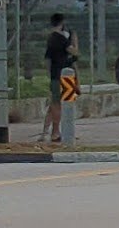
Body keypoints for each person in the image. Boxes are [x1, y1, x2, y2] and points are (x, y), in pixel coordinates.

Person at [42, 13, 78, 142]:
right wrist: (74, 40)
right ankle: (55, 132)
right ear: (62, 23)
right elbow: (74, 52)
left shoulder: (51, 38)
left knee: (54, 103)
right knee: (60, 104)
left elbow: (47, 59)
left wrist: (50, 72)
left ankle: (45, 131)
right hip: (64, 76)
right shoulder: (61, 39)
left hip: (55, 74)